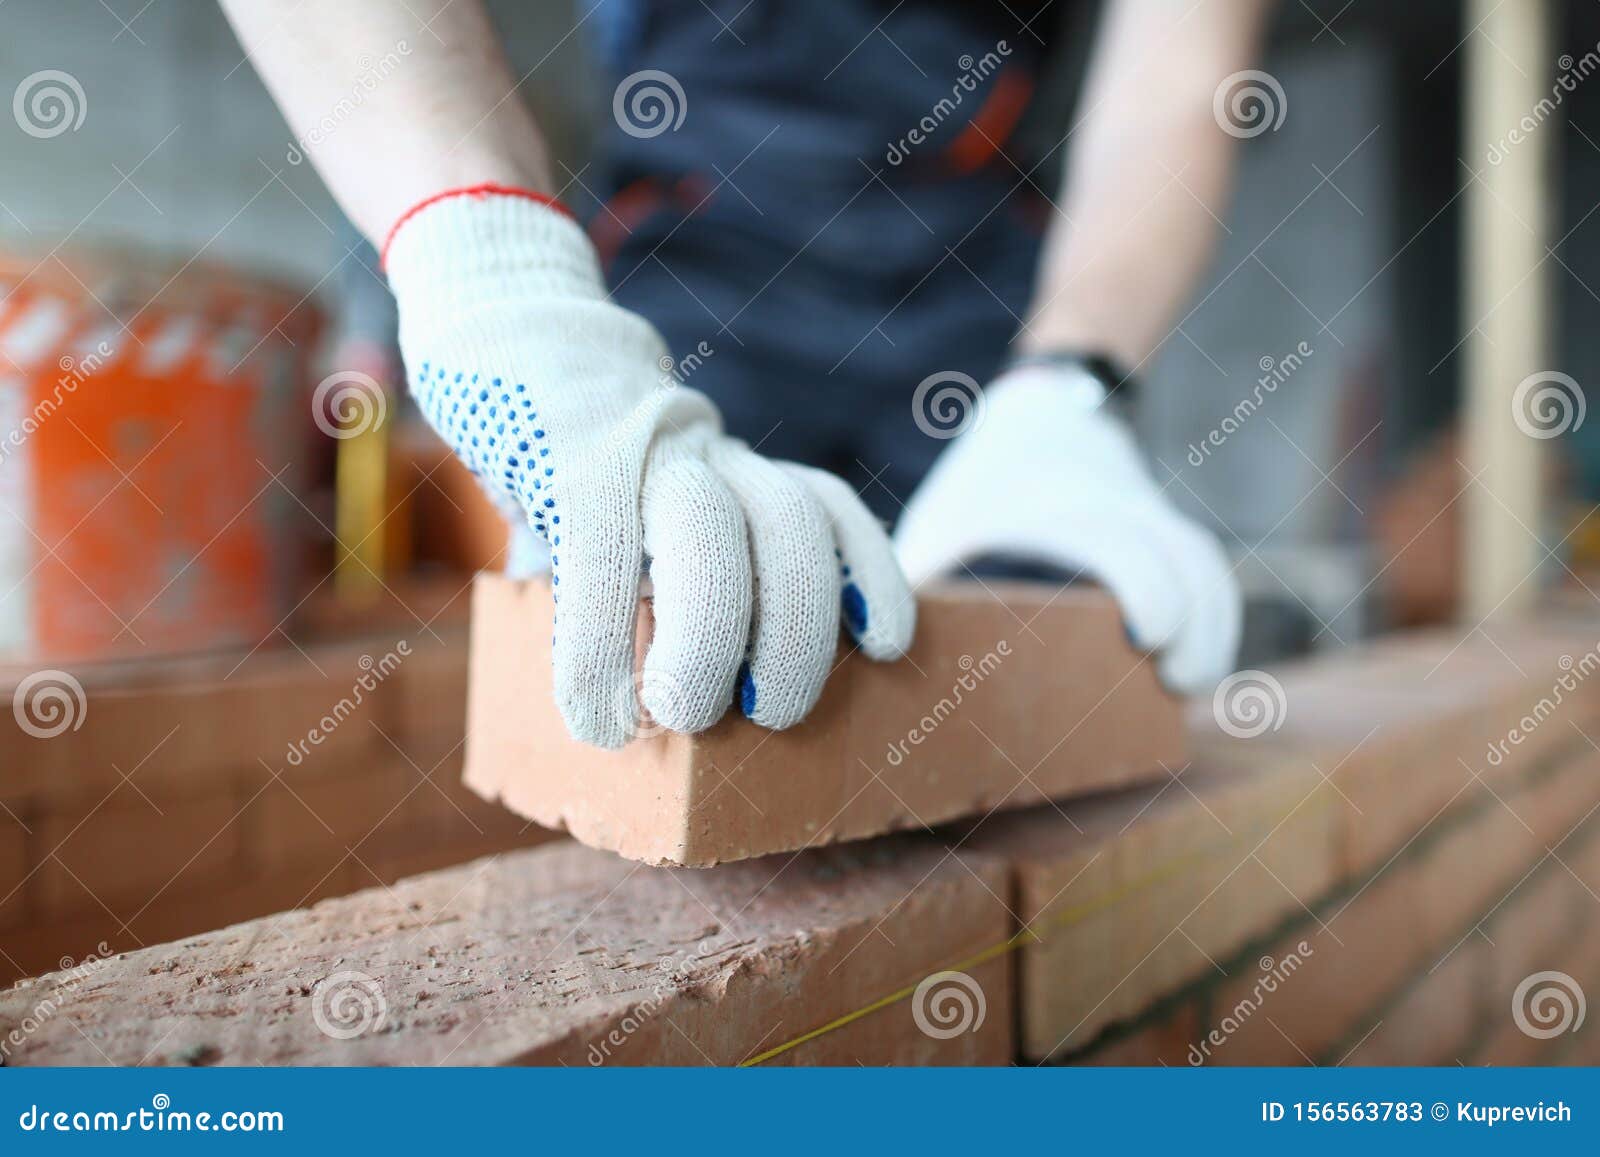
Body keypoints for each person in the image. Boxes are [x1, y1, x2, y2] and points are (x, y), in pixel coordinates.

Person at [221, 0, 1260, 749]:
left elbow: (1176, 73)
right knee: (667, 667)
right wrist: (492, 257)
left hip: (975, 309)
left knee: (990, 717)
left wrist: (1067, 385)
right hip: (699, 281)